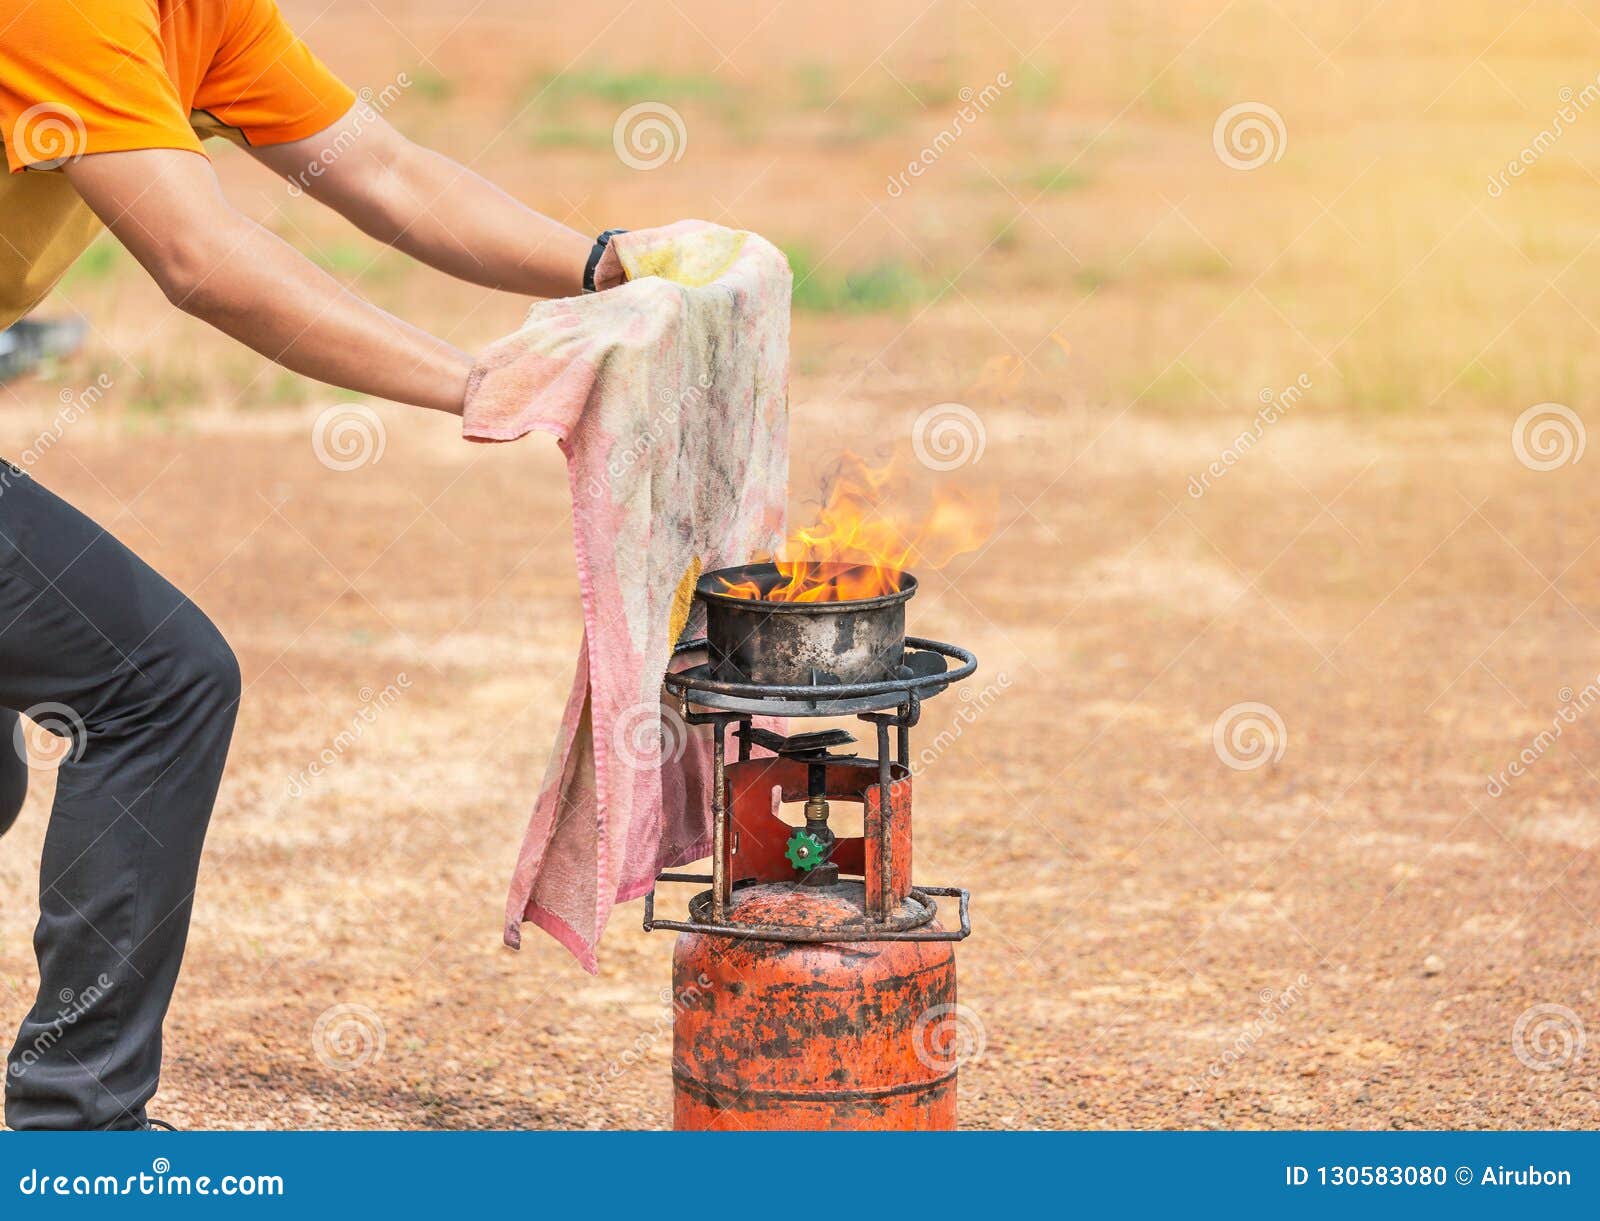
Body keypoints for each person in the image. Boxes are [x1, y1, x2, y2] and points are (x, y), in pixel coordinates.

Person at [0, 0, 627, 1130]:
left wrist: (613, 263)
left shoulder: (202, 13)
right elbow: (201, 258)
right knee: (156, 681)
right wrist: (473, 383)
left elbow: (381, 172)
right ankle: (78, 1132)